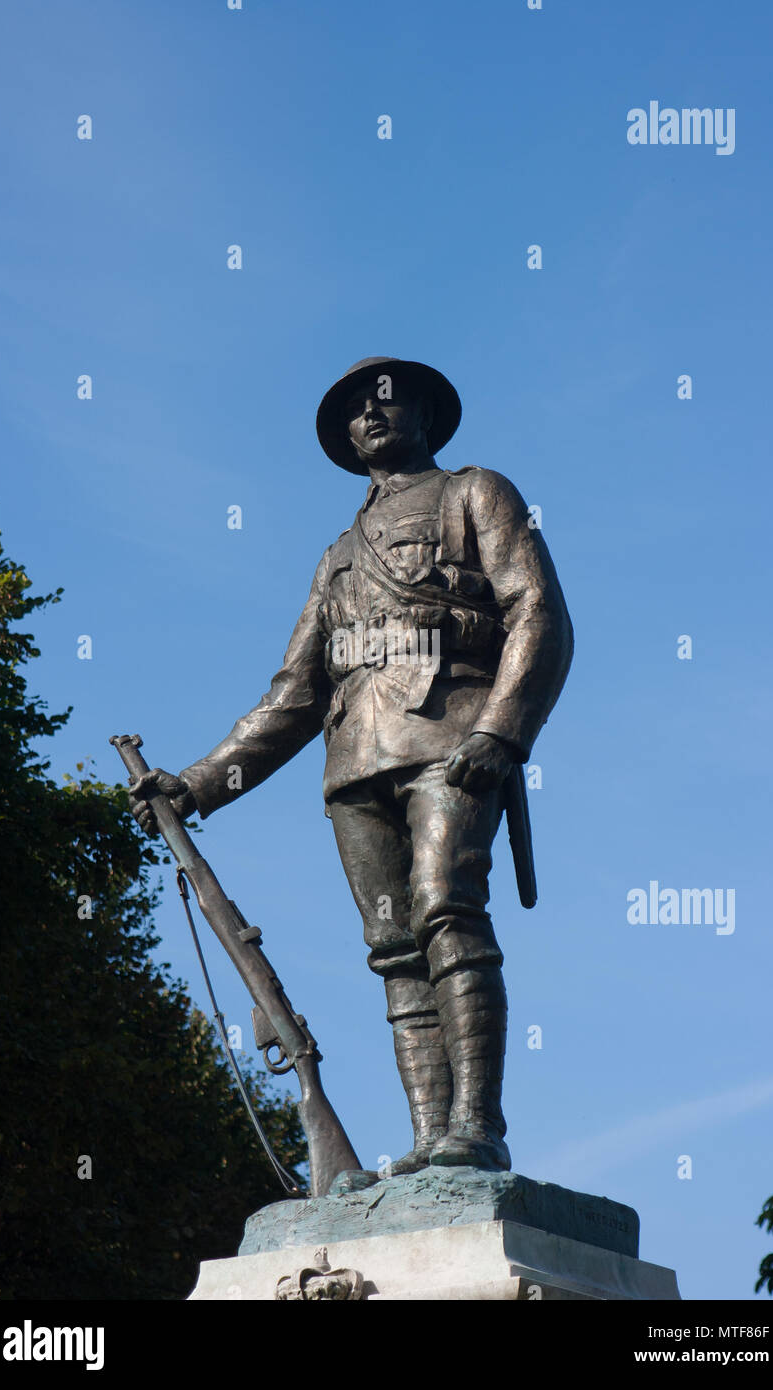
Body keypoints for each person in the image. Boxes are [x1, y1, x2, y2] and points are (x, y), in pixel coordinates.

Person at [130, 357, 573, 1176]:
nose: (370, 416)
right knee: (393, 946)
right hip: (354, 768)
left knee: (447, 909)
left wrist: (503, 732)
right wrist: (194, 784)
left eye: (388, 401)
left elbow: (538, 613)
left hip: (451, 737)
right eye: (354, 412)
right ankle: (430, 1137)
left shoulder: (476, 493)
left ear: (427, 416)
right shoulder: (337, 557)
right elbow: (295, 694)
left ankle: (477, 1128)